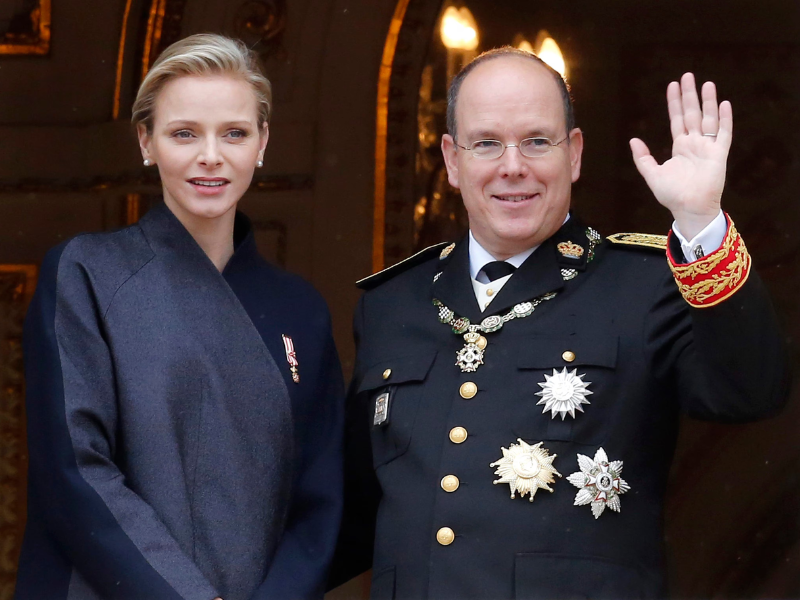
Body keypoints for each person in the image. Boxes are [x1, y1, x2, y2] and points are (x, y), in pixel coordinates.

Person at [331, 48, 790, 599]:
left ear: (573, 154)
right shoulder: (392, 304)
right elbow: (350, 511)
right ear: (452, 160)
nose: (512, 166)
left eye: (537, 141)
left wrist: (701, 222)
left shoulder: (644, 286)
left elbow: (749, 392)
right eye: (486, 143)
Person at [16, 34, 343, 600]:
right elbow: (75, 470)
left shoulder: (301, 311)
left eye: (234, 133)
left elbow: (321, 499)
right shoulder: (88, 273)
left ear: (262, 143)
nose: (210, 155)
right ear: (146, 142)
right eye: (184, 133)